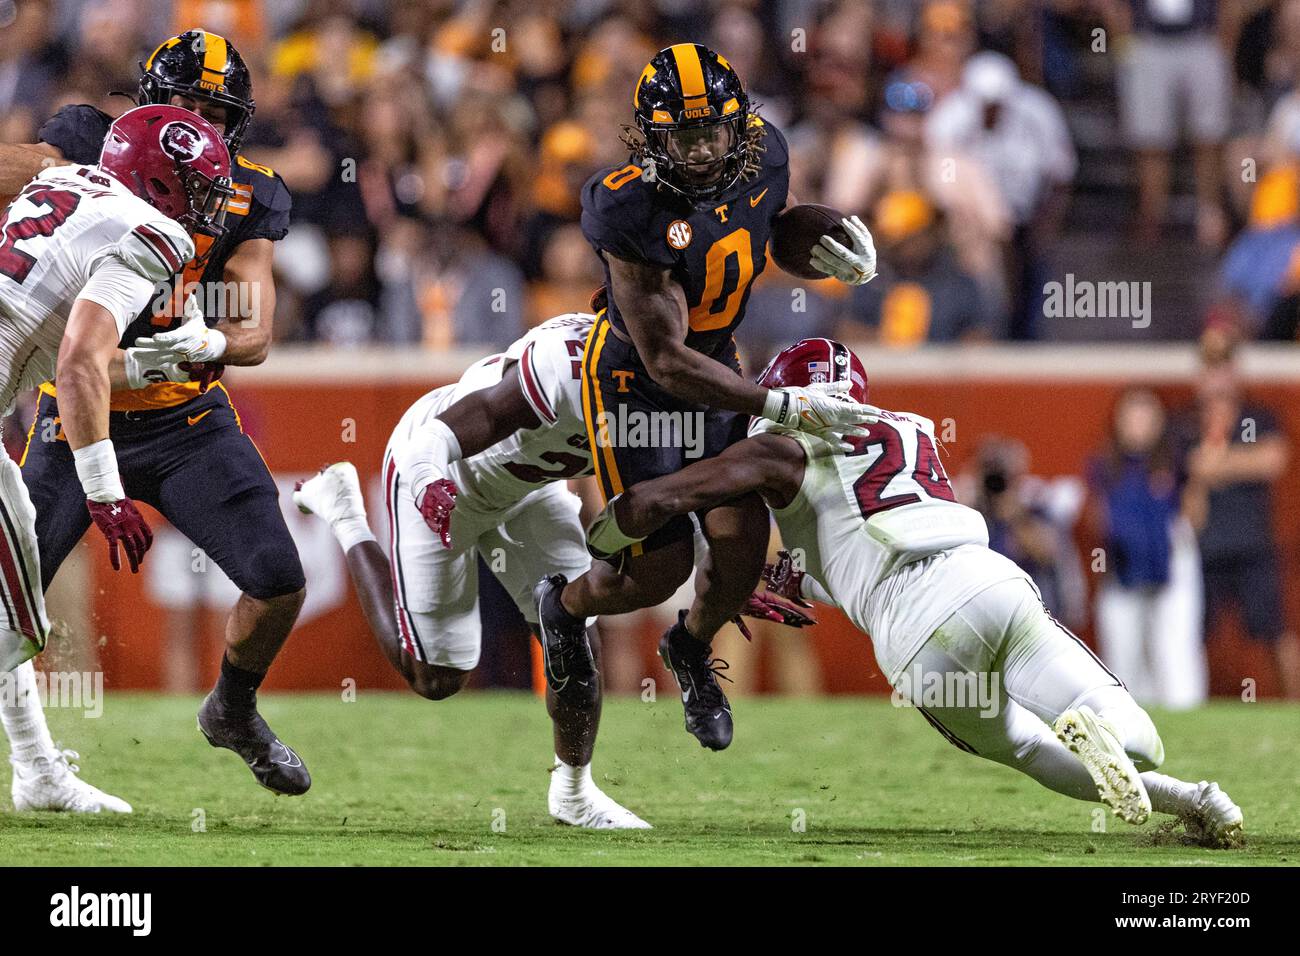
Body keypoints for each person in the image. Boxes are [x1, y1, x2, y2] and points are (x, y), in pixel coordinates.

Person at [580, 338, 1244, 847]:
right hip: (986, 579)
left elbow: (676, 494)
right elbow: (857, 537)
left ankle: (1183, 800)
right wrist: (792, 576)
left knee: (1020, 745)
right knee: (1138, 739)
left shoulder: (781, 450)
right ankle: (1188, 792)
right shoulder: (910, 427)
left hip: (917, 628)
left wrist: (616, 524)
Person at [291, 312, 809, 828]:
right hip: (447, 474)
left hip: (531, 490)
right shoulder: (567, 362)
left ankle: (574, 792)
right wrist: (425, 476)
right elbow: (465, 425)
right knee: (436, 677)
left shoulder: (688, 387)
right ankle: (346, 515)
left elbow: (687, 497)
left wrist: (727, 577)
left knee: (574, 625)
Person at [527, 43, 877, 752]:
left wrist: (825, 239)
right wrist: (773, 406)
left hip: (717, 367)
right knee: (657, 571)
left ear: (736, 126)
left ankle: (690, 649)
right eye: (683, 136)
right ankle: (563, 608)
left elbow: (763, 232)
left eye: (712, 131)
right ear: (652, 138)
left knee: (742, 540)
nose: (701, 150)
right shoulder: (626, 204)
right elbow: (665, 356)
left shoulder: (765, 154)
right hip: (637, 384)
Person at [0, 30, 310, 799]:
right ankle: (38, 770)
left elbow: (256, 332)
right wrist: (54, 174)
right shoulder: (89, 152)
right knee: (12, 609)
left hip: (182, 418)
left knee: (278, 578)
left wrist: (201, 338)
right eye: (184, 101)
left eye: (214, 107)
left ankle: (232, 709)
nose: (198, 118)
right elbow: (79, 359)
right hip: (72, 413)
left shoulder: (245, 190)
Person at [0, 105, 230, 810]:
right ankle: (37, 770)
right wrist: (104, 491)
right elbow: (76, 365)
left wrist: (167, 355)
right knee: (17, 626)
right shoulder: (152, 232)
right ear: (160, 184)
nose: (208, 209)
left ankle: (37, 770)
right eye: (198, 188)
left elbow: (70, 355)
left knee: (12, 613)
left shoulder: (58, 186)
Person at [1177, 329, 1300, 699]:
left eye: (1224, 363)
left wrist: (1215, 463)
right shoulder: (1184, 424)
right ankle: (1192, 702)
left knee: (1276, 632)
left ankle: (1295, 704)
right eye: (1209, 364)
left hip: (1252, 545)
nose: (1217, 374)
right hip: (1204, 547)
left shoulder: (1256, 417)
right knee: (1192, 634)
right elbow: (1182, 488)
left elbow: (1273, 459)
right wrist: (1209, 470)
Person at [1087, 389, 1206, 709]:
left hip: (1169, 557)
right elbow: (1097, 518)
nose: (1138, 426)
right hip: (1122, 563)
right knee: (1123, 652)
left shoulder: (1175, 460)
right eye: (1131, 417)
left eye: (1146, 418)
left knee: (1175, 648)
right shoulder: (1104, 464)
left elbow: (1193, 516)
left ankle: (1185, 717)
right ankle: (1128, 722)